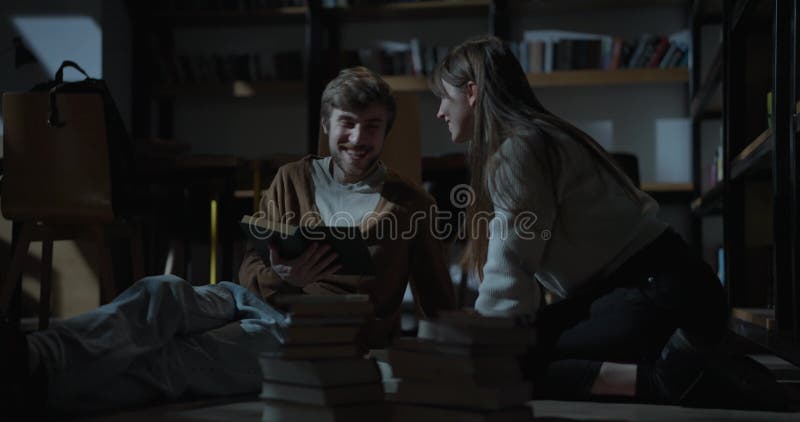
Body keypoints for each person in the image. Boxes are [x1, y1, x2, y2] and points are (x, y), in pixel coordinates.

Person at [1, 66, 455, 416]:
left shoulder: (411, 205)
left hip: (318, 340)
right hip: (258, 300)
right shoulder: (291, 178)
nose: (358, 138)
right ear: (325, 124)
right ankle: (33, 355)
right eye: (347, 123)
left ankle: (38, 389)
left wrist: (452, 369)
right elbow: (248, 269)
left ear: (386, 131)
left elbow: (439, 301)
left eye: (372, 126)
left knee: (180, 358)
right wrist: (282, 273)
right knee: (163, 291)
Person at [431, 35, 788, 410]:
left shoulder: (519, 151)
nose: (440, 111)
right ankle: (688, 364)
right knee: (512, 350)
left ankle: (663, 379)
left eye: (444, 97)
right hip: (674, 290)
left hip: (657, 296)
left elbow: (513, 263)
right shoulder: (546, 136)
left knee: (503, 364)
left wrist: (487, 339)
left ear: (472, 92)